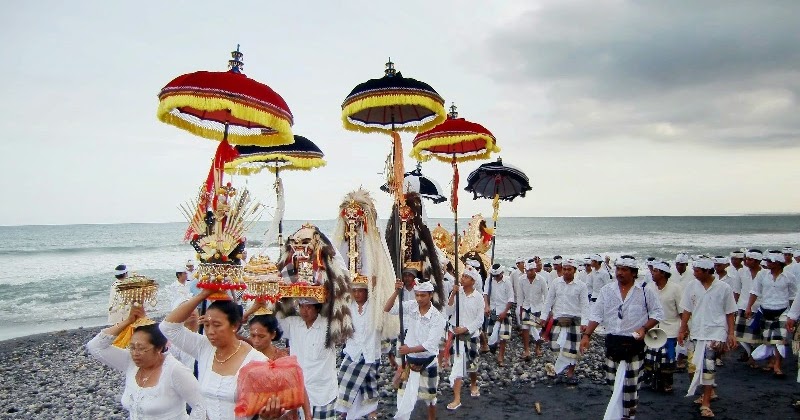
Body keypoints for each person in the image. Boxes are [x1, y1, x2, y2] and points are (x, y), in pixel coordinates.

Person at [161, 289, 267, 420]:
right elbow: (168, 327)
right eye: (206, 325)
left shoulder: (257, 360)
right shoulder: (204, 347)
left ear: (234, 325)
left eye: (217, 325)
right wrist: (202, 295)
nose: (210, 331)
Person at [87, 304, 207, 419]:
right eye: (132, 347)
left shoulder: (175, 370)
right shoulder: (130, 362)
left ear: (159, 348)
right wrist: (128, 321)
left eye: (142, 348)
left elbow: (201, 406)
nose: (135, 353)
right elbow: (95, 346)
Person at [581, 255, 664, 420]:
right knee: (613, 385)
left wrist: (644, 328)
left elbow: (657, 313)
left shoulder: (645, 291)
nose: (620, 273)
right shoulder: (607, 291)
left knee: (631, 388)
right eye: (618, 269)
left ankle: (628, 417)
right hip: (613, 343)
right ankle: (617, 414)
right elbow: (596, 315)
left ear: (633, 273)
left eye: (624, 270)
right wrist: (587, 335)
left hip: (634, 344)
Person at [678, 256, 737, 419]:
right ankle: (708, 392)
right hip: (697, 331)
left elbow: (730, 312)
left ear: (707, 271)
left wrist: (731, 334)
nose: (694, 273)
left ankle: (706, 404)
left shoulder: (723, 288)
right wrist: (682, 330)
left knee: (708, 365)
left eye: (697, 271)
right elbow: (686, 310)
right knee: (693, 366)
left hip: (715, 332)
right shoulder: (692, 286)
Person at [384, 279, 446, 420]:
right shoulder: (412, 306)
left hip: (427, 360)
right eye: (417, 295)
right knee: (402, 394)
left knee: (429, 397)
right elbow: (388, 308)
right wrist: (396, 292)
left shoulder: (437, 318)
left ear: (430, 295)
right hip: (410, 360)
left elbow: (430, 345)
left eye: (422, 295)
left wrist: (409, 349)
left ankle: (431, 418)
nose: (419, 298)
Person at [276, 298, 339, 419]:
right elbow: (273, 326)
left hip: (323, 391)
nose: (305, 311)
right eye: (302, 307)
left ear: (318, 308)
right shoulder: (292, 323)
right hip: (299, 390)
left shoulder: (329, 326)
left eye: (309, 307)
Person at [335, 278, 381, 420]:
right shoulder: (349, 306)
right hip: (352, 350)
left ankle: (371, 411)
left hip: (370, 350)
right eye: (354, 291)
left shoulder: (374, 306)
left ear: (366, 292)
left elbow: (380, 295)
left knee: (369, 383)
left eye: (360, 291)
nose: (357, 294)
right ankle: (346, 409)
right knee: (344, 379)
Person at [745, 251, 796, 378]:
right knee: (767, 339)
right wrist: (749, 306)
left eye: (770, 262)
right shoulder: (762, 275)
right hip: (765, 309)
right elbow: (754, 291)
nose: (767, 263)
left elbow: (794, 296)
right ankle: (771, 361)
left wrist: (794, 314)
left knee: (780, 339)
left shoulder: (789, 277)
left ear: (778, 264)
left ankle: (777, 365)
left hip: (782, 310)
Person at [445, 265, 485, 410]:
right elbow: (448, 310)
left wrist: (466, 329)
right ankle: (457, 398)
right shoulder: (457, 292)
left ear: (473, 281)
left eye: (466, 277)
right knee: (457, 367)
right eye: (462, 276)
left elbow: (480, 319)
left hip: (471, 336)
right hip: (457, 337)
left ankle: (473, 383)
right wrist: (453, 294)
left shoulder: (478, 297)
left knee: (472, 365)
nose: (462, 278)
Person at [544, 259, 589, 383]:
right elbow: (549, 300)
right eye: (564, 269)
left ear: (574, 270)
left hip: (574, 320)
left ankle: (569, 373)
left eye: (569, 269)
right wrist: (543, 317)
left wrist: (585, 323)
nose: (566, 272)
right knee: (556, 346)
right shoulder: (556, 283)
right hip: (558, 319)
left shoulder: (581, 286)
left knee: (573, 349)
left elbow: (585, 306)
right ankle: (559, 370)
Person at [643, 260, 681, 393]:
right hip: (652, 327)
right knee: (652, 356)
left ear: (663, 274)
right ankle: (652, 380)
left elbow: (681, 311)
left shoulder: (675, 289)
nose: (652, 273)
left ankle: (666, 383)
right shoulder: (649, 287)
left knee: (667, 357)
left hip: (670, 327)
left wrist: (684, 329)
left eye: (655, 271)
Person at [735, 249, 765, 366]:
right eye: (746, 259)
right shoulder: (741, 272)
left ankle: (753, 357)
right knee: (741, 335)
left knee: (757, 336)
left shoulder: (764, 273)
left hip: (759, 307)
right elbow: (737, 290)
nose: (747, 261)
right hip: (743, 305)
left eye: (750, 259)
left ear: (758, 261)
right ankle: (748, 354)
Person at [484, 264, 515, 366]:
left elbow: (511, 298)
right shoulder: (489, 280)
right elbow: (486, 294)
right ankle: (493, 345)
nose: (495, 278)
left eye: (497, 276)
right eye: (494, 276)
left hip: (503, 309)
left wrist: (505, 311)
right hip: (493, 309)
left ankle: (501, 356)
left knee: (503, 335)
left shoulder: (507, 282)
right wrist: (487, 306)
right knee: (490, 333)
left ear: (502, 273)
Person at [519, 260, 548, 359]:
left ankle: (537, 347)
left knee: (537, 329)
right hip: (526, 307)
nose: (529, 273)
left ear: (535, 269)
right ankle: (527, 349)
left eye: (531, 270)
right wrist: (520, 309)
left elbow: (546, 295)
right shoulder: (521, 280)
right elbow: (520, 296)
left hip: (538, 307)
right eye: (527, 271)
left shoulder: (541, 280)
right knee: (525, 328)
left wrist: (546, 311)